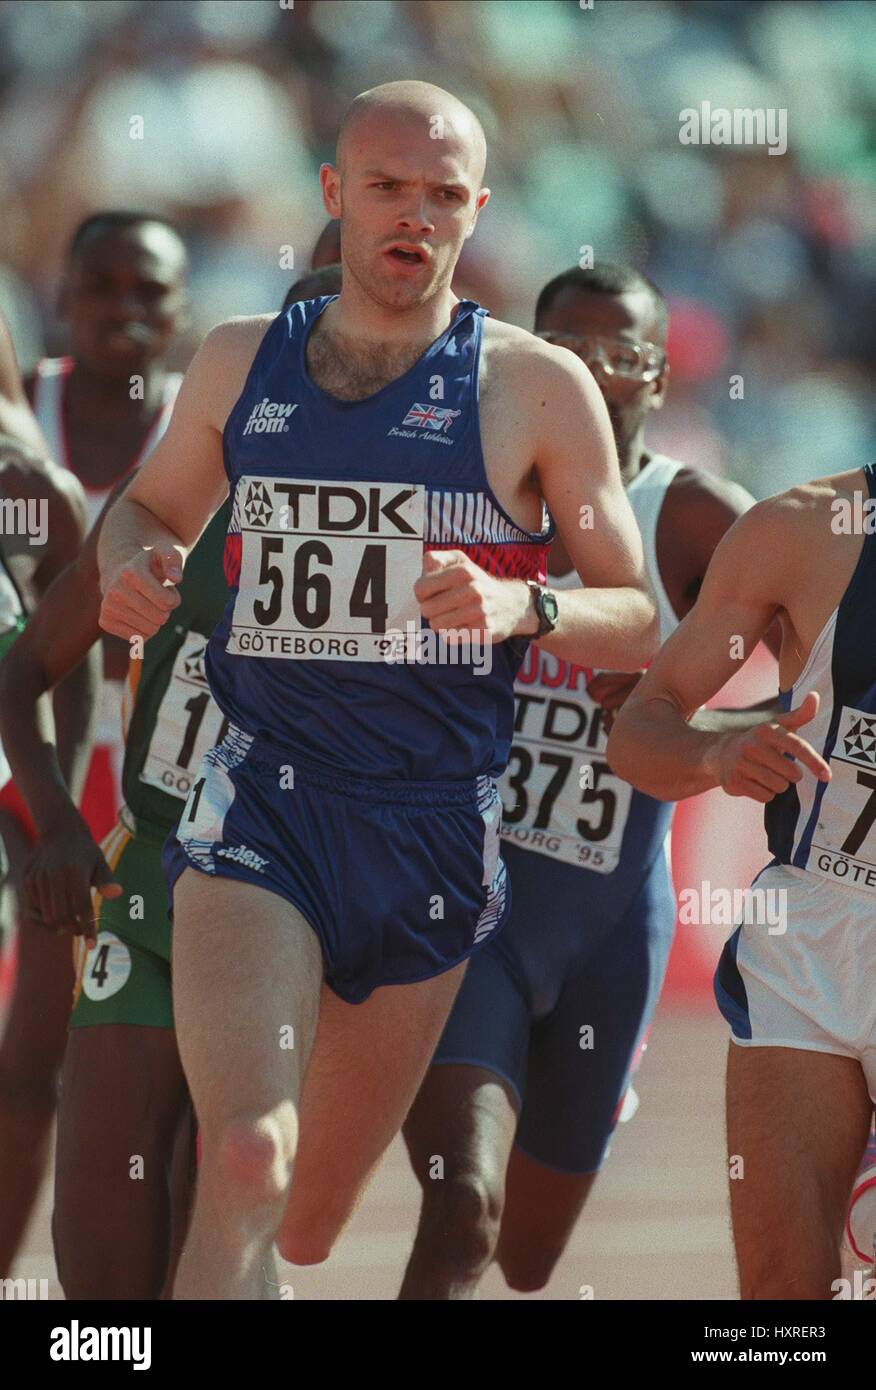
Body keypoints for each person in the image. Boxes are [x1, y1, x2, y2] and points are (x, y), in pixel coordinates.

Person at [97, 80, 658, 1300]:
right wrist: (131, 565)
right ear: (335, 195)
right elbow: (144, 509)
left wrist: (528, 604)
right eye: (390, 189)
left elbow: (645, 620)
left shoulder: (536, 386)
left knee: (299, 1224)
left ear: (478, 213)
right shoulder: (243, 359)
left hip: (433, 833)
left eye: (444, 197)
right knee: (246, 1154)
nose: (415, 218)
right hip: (264, 806)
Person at [399, 261, 782, 1298]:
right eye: (563, 347)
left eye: (621, 354)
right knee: (462, 1206)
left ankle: (585, 1097)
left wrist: (691, 721)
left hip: (611, 927)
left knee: (526, 1260)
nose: (591, 374)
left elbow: (824, 687)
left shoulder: (698, 517)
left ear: (659, 377)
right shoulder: (465, 494)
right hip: (465, 912)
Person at [0, 264, 341, 1299]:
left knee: (226, 1195)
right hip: (149, 875)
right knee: (102, 1251)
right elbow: (19, 669)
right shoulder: (171, 512)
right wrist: (57, 825)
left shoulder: (418, 540)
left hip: (304, 895)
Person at [608, 461, 876, 1300]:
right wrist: (719, 753)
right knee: (777, 1297)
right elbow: (641, 730)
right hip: (812, 940)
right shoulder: (800, 531)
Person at [0, 315, 95, 1277]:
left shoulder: (23, 491)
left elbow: (46, 659)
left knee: (35, 1069)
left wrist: (47, 814)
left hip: (38, 803)